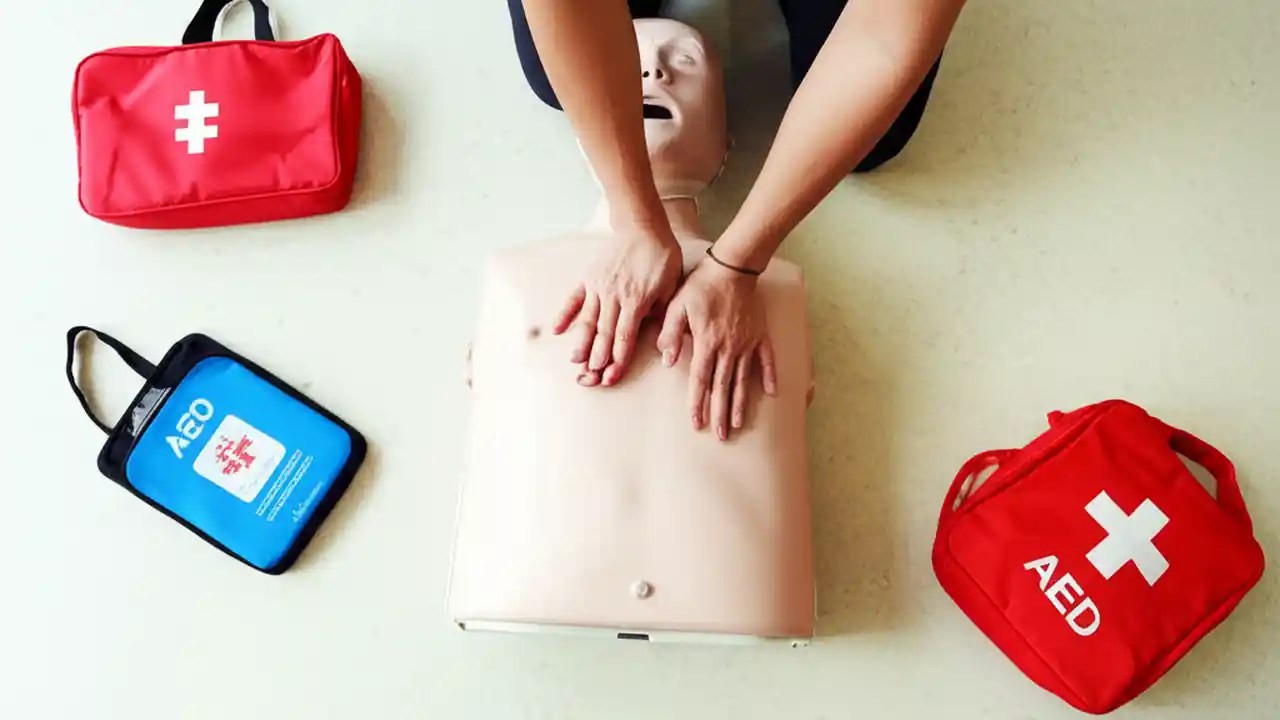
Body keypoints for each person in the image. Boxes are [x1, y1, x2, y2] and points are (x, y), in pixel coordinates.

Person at [507, 0, 966, 440]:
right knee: (554, 72)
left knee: (882, 130)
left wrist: (739, 261)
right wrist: (635, 218)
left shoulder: (782, 292)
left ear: (729, 145)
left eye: (682, 61)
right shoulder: (521, 276)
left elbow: (885, 36)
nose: (653, 74)